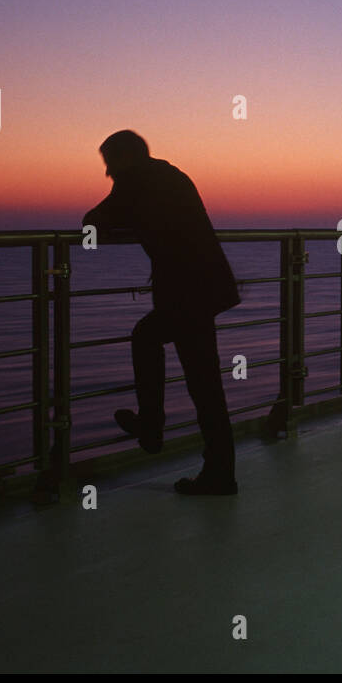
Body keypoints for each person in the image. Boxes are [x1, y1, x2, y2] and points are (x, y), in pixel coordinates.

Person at [83, 130, 242, 496]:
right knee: (205, 385)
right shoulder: (170, 176)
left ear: (124, 159)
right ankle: (216, 468)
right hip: (205, 288)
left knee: (152, 342)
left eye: (109, 163)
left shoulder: (135, 181)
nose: (107, 173)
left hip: (186, 294)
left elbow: (92, 221)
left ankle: (153, 430)